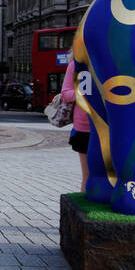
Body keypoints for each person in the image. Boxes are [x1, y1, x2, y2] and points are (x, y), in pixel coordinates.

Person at [60, 56, 91, 190]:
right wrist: (85, 92)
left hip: (109, 126)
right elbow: (65, 94)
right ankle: (86, 207)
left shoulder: (110, 60)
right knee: (88, 175)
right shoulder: (75, 65)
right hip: (84, 127)